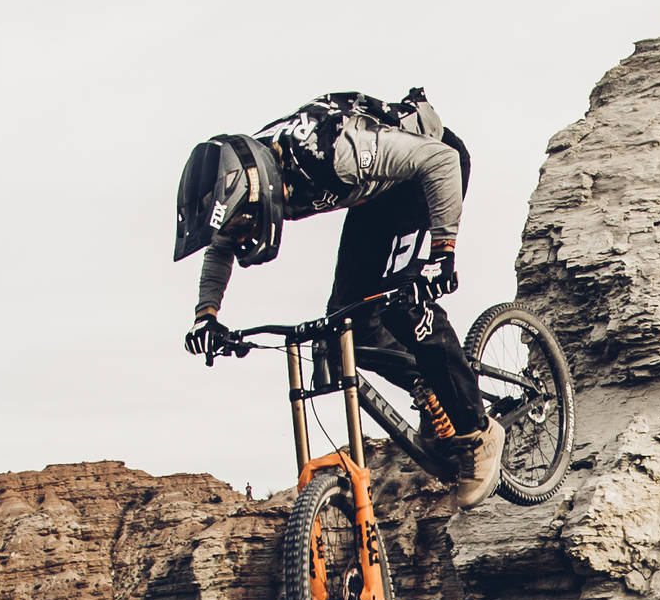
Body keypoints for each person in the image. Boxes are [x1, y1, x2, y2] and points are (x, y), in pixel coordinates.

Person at [175, 89, 500, 507]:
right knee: (346, 324)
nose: (240, 238)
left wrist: (443, 253)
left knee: (406, 304)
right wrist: (207, 315)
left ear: (253, 193)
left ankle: (477, 433)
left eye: (241, 225)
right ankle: (431, 387)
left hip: (426, 173)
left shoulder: (334, 155)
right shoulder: (253, 177)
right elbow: (219, 246)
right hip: (377, 194)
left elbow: (441, 160)